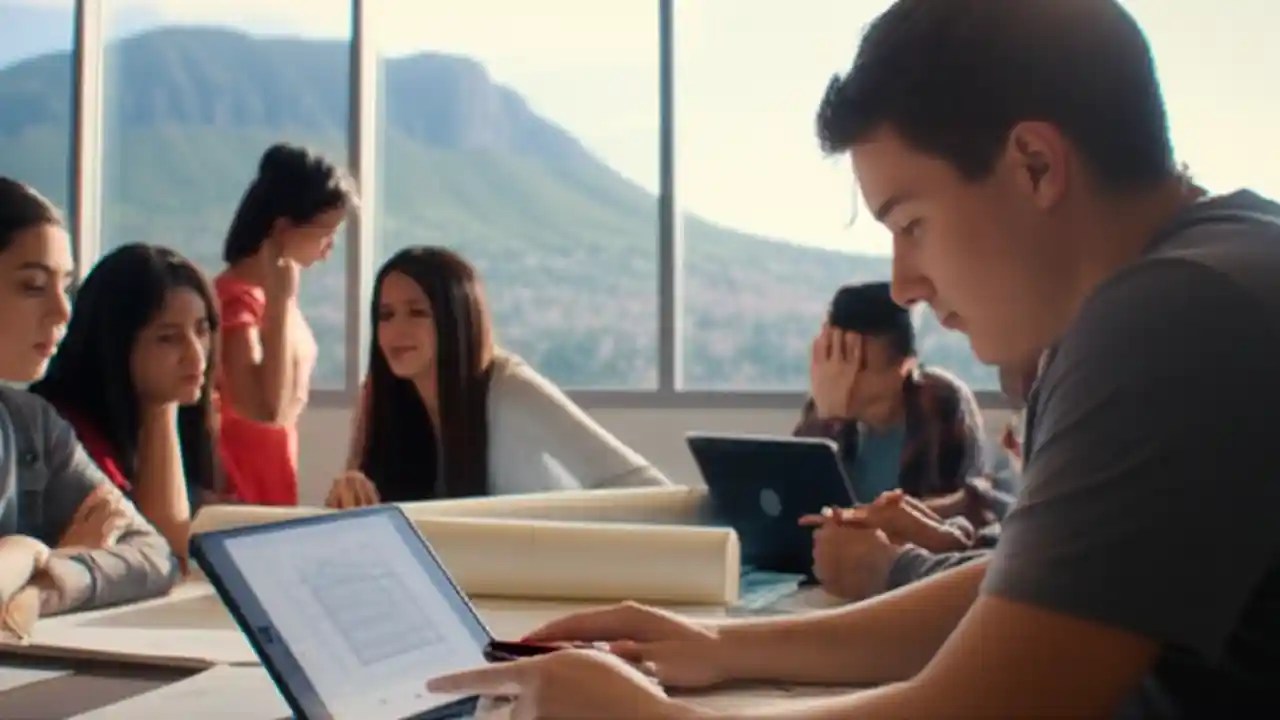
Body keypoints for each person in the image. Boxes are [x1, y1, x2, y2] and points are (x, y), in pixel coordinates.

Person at [424, 1, 1280, 717]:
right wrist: (724, 646)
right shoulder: (1213, 274)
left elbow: (985, 706)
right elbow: (1024, 597)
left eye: (912, 223)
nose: (905, 283)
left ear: (1034, 164)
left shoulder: (1173, 317)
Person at [326, 247, 670, 506]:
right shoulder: (379, 399)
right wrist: (346, 494)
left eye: (417, 313)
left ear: (456, 319)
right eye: (385, 315)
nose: (396, 331)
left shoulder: (512, 389)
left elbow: (645, 485)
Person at [0, 178, 178, 635]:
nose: (63, 312)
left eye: (66, 287)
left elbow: (154, 554)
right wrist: (22, 550)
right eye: (33, 286)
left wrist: (47, 577)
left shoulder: (31, 423)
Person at [31, 243, 226, 562]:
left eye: (201, 331)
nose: (196, 356)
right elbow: (163, 553)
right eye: (168, 338)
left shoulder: (187, 418)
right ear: (115, 344)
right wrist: (160, 410)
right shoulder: (61, 433)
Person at [215, 143, 356, 506]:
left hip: (273, 482)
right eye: (325, 233)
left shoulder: (276, 296)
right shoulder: (236, 303)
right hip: (238, 493)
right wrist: (279, 303)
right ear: (283, 230)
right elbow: (266, 410)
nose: (329, 247)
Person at [796, 281, 983, 509]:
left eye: (860, 364)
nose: (842, 375)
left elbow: (972, 503)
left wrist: (879, 519)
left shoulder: (941, 401)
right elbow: (793, 501)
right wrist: (827, 418)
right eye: (835, 357)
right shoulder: (822, 407)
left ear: (905, 366)